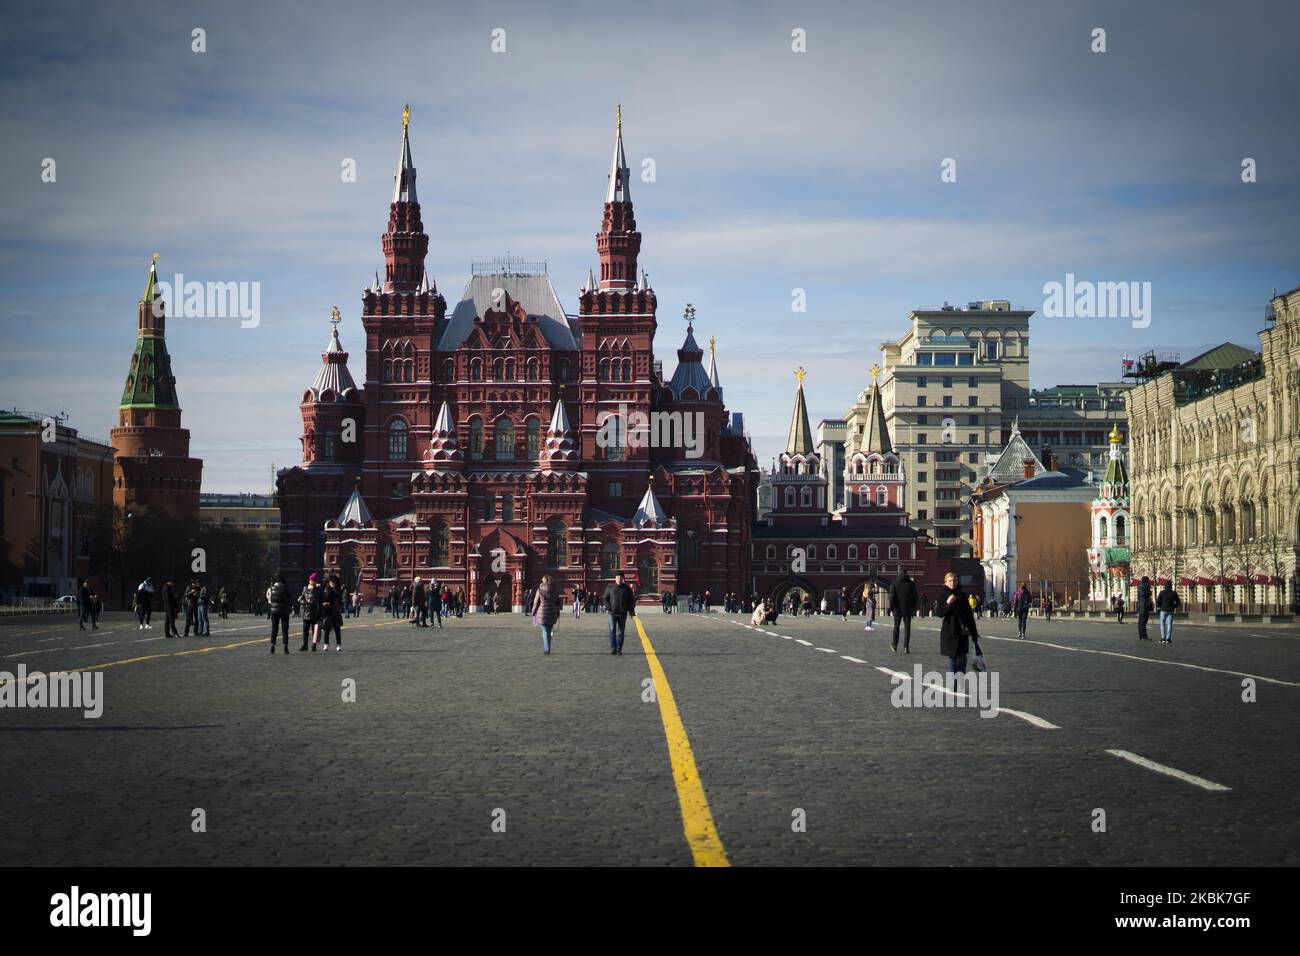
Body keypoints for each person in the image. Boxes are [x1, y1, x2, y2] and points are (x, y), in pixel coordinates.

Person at [939, 571, 980, 686]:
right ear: (945, 582)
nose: (952, 583)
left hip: (962, 631)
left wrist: (974, 633)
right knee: (952, 658)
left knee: (962, 658)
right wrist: (948, 603)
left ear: (957, 582)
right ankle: (953, 685)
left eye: (954, 581)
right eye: (950, 581)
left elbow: (969, 615)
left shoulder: (962, 595)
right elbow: (940, 613)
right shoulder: (943, 595)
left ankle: (960, 680)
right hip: (950, 631)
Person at [603, 571, 637, 655]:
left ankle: (619, 649)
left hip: (622, 614)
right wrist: (608, 607)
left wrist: (631, 611)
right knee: (612, 630)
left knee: (621, 632)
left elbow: (631, 601)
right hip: (612, 613)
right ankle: (613, 648)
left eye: (621, 578)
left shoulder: (627, 588)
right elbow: (605, 598)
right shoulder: (610, 587)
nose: (619, 579)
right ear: (615, 578)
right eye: (618, 578)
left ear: (623, 579)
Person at [888, 571, 919, 653]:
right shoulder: (911, 584)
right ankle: (906, 647)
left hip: (897, 609)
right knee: (907, 628)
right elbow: (915, 597)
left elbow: (891, 597)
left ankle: (894, 645)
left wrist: (890, 608)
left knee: (896, 626)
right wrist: (913, 608)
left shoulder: (894, 584)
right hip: (908, 609)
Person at [531, 574, 561, 654]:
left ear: (543, 580)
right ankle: (548, 648)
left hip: (542, 614)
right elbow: (559, 603)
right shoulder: (555, 590)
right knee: (549, 630)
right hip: (552, 613)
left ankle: (547, 649)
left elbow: (536, 602)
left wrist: (533, 612)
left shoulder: (540, 589)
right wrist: (557, 609)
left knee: (544, 631)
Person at [267, 573, 291, 653]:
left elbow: (270, 598)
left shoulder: (272, 587)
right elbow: (289, 598)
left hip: (274, 611)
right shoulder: (285, 587)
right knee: (285, 629)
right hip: (284, 611)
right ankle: (285, 646)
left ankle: (272, 645)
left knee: (274, 628)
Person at [320, 574, 343, 650]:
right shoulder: (326, 588)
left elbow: (339, 597)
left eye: (334, 581)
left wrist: (334, 588)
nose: (332, 582)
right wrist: (324, 603)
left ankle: (338, 644)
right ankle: (326, 644)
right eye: (331, 581)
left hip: (335, 611)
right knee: (326, 629)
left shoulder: (337, 589)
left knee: (337, 629)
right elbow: (323, 598)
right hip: (327, 611)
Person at [300, 573, 322, 651]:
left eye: (313, 581)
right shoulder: (305, 588)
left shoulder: (318, 589)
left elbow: (321, 600)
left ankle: (314, 645)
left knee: (314, 630)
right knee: (305, 630)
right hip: (306, 612)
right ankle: (305, 644)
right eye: (310, 580)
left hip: (315, 613)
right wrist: (302, 601)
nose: (311, 582)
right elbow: (302, 597)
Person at [1136, 576, 1153, 640]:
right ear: (1147, 581)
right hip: (1145, 606)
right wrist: (1150, 593)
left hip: (1140, 606)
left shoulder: (1139, 586)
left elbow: (1140, 596)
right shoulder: (1146, 586)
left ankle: (1141, 636)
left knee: (1140, 622)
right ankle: (1144, 637)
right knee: (1144, 622)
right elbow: (1145, 594)